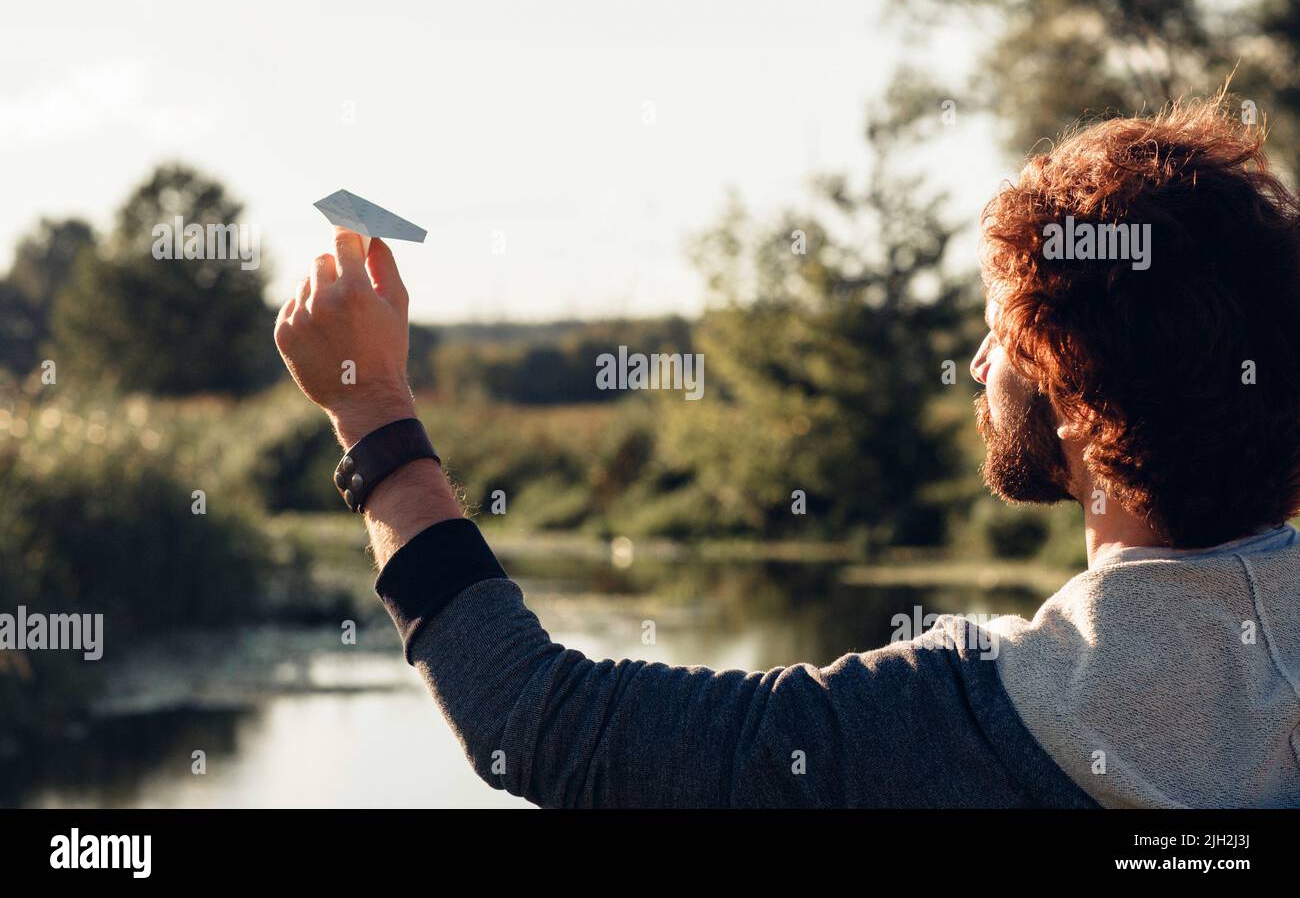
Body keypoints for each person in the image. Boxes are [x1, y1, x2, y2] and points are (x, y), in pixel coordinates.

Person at [274, 98, 1300, 807]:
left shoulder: (941, 721)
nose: (980, 358)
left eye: (1003, 333)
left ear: (1077, 392)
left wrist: (374, 416)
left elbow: (541, 722)